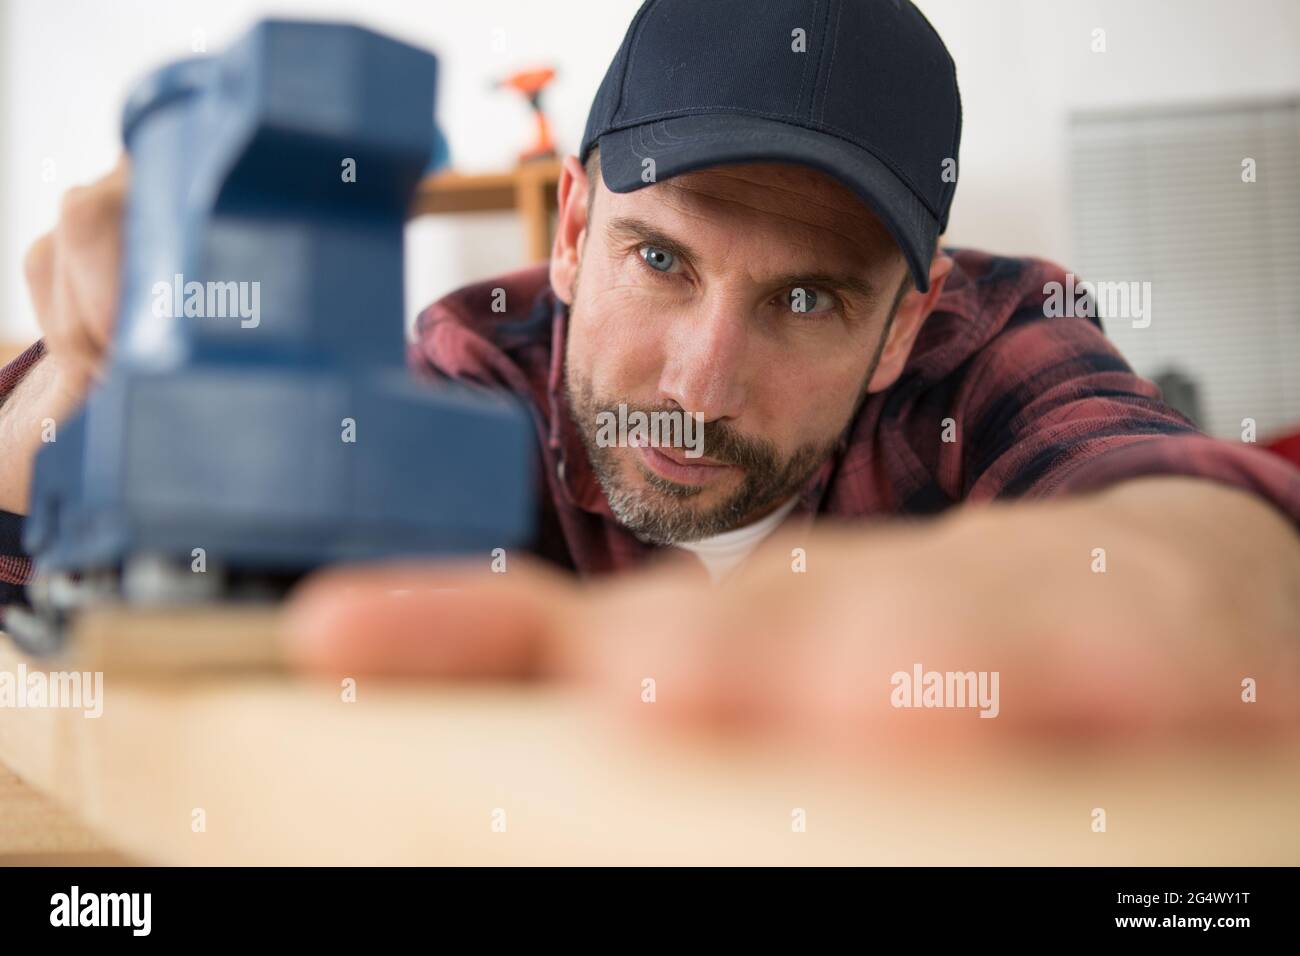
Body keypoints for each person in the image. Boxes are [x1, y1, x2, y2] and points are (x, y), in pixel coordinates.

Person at [1, 0, 1297, 746]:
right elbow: (129, 620)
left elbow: (1179, 507)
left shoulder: (996, 337)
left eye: (804, 298)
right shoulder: (475, 372)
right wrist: (94, 394)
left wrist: (1183, 586)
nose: (697, 383)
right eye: (662, 261)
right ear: (572, 232)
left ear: (905, 326)